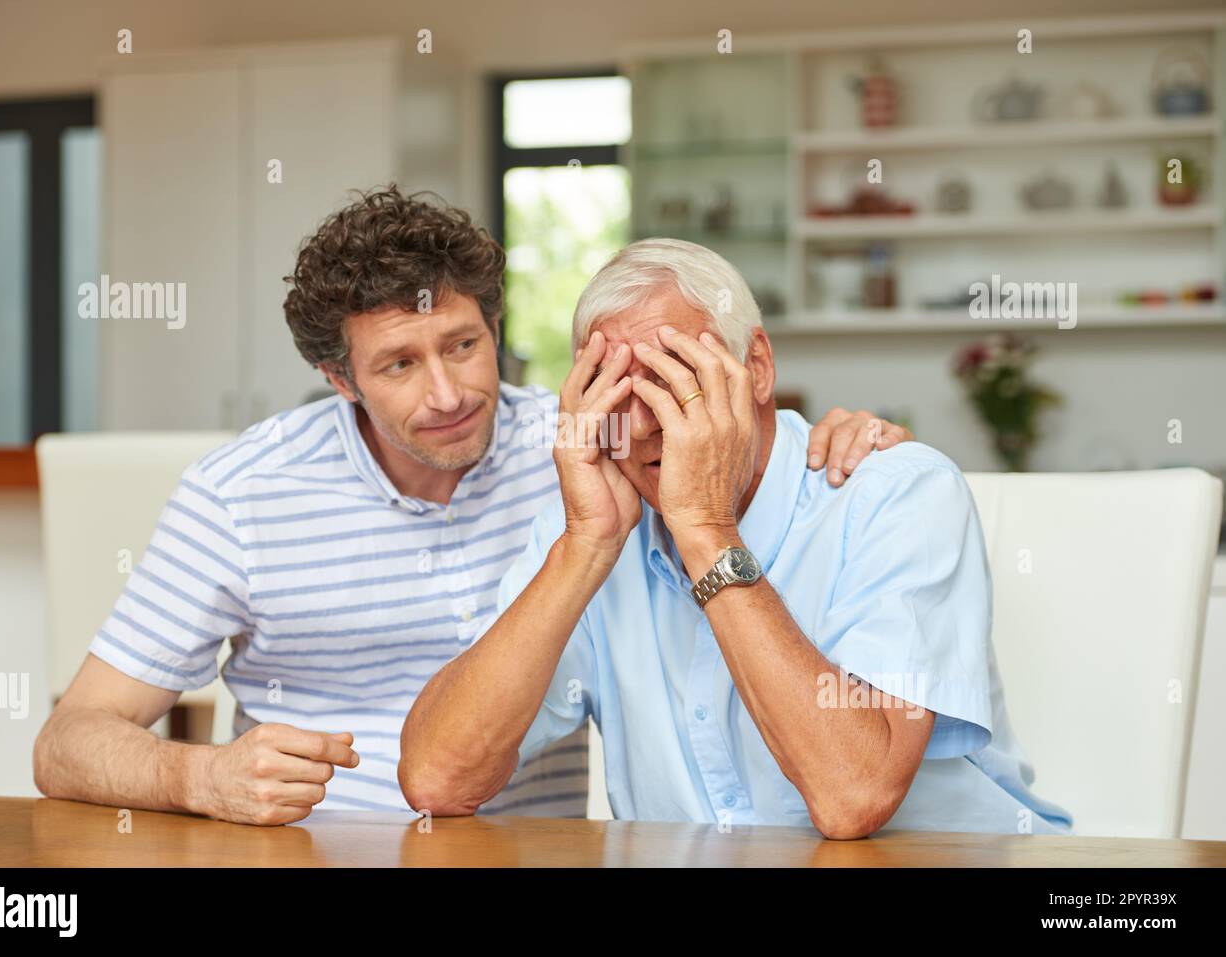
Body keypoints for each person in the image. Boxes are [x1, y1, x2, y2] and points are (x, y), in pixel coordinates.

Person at [32, 188, 909, 826]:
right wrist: (203, 778)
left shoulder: (589, 444)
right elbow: (69, 739)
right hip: (308, 856)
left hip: (521, 856)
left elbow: (729, 465)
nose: (449, 392)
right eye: (399, 364)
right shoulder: (241, 494)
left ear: (497, 330)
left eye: (464, 344)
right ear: (339, 379)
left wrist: (817, 437)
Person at [399, 237, 1073, 839]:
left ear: (756, 367)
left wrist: (705, 532)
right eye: (615, 391)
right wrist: (582, 549)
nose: (644, 424)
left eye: (673, 379)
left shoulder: (897, 492)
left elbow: (854, 796)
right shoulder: (592, 527)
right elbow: (437, 778)